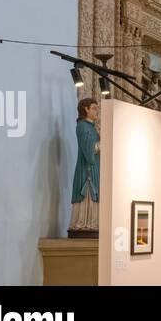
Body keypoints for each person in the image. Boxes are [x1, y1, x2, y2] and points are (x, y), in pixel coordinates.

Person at [69, 98, 101, 237]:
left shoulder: (92, 127)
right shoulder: (82, 126)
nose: (96, 111)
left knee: (96, 193)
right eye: (94, 108)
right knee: (88, 192)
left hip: (94, 166)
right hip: (86, 168)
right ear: (86, 109)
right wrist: (102, 144)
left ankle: (93, 223)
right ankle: (83, 223)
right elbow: (89, 150)